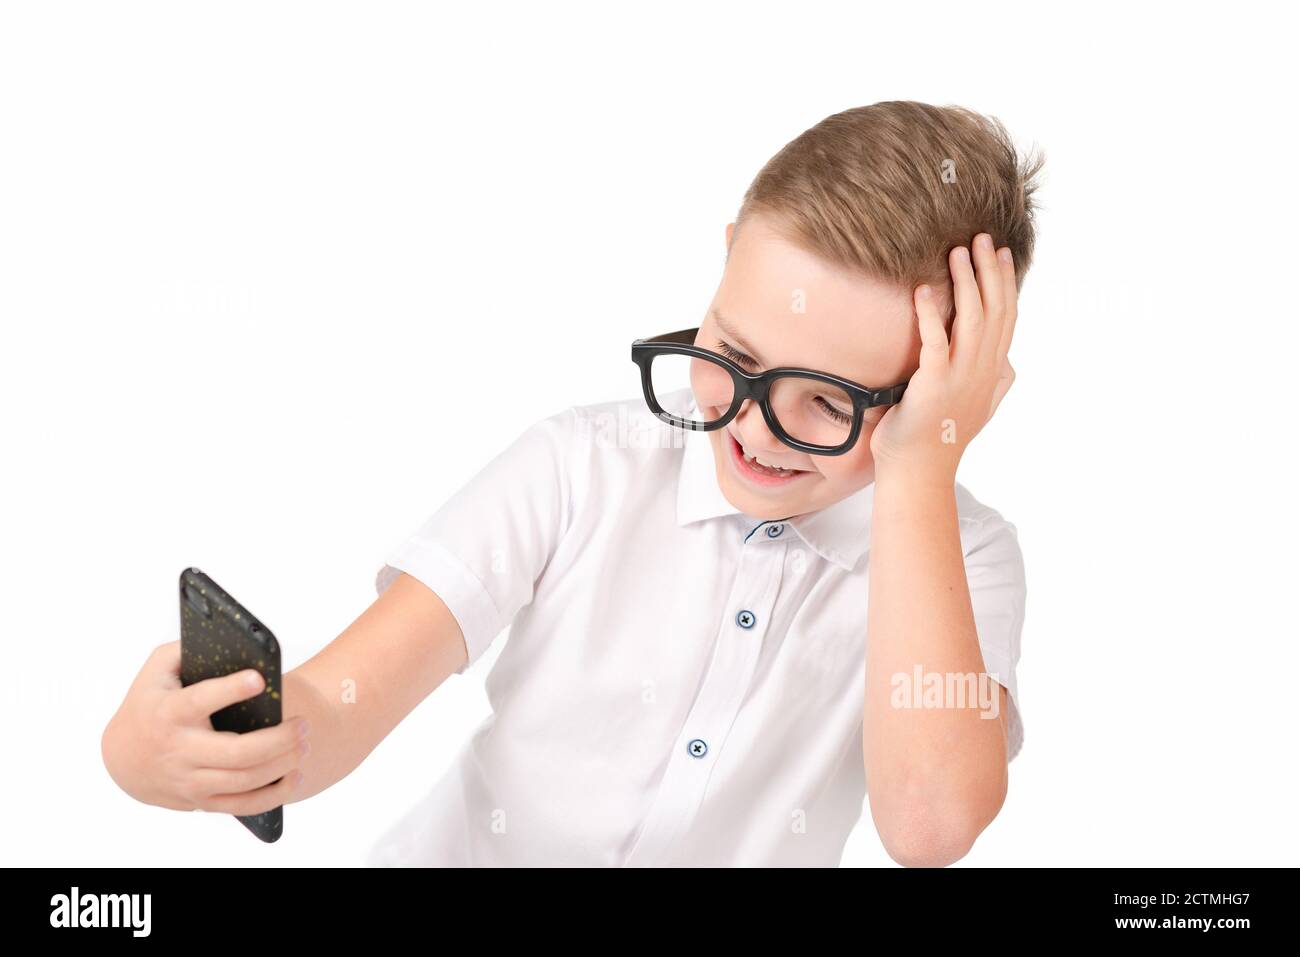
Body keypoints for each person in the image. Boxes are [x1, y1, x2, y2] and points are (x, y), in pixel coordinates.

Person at [102, 100, 1043, 867]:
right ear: (723, 265)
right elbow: (332, 710)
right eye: (736, 353)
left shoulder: (964, 558)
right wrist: (168, 754)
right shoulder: (580, 467)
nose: (754, 425)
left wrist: (921, 465)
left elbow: (930, 827)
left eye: (825, 401)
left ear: (937, 384)